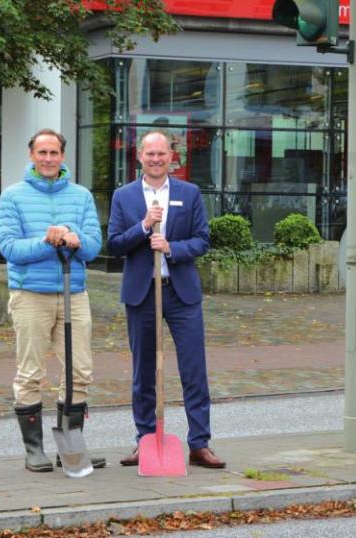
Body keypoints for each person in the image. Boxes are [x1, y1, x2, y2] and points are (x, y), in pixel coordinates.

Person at [108, 130, 225, 469]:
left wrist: (173, 248)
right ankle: (145, 441)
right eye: (150, 154)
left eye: (162, 154)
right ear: (140, 157)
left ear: (172, 157)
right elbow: (114, 244)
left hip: (181, 292)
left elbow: (202, 240)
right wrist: (144, 227)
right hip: (142, 293)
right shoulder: (124, 196)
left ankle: (199, 443)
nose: (156, 159)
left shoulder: (189, 193)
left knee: (194, 370)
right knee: (143, 372)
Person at [0, 128, 105, 472]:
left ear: (62, 156)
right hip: (31, 295)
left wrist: (75, 241)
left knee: (80, 371)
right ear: (31, 156)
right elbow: (9, 248)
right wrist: (47, 241)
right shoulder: (12, 197)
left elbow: (94, 246)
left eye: (53, 152)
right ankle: (35, 450)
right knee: (30, 372)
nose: (47, 159)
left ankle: (70, 449)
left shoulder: (81, 196)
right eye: (41, 152)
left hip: (74, 293)